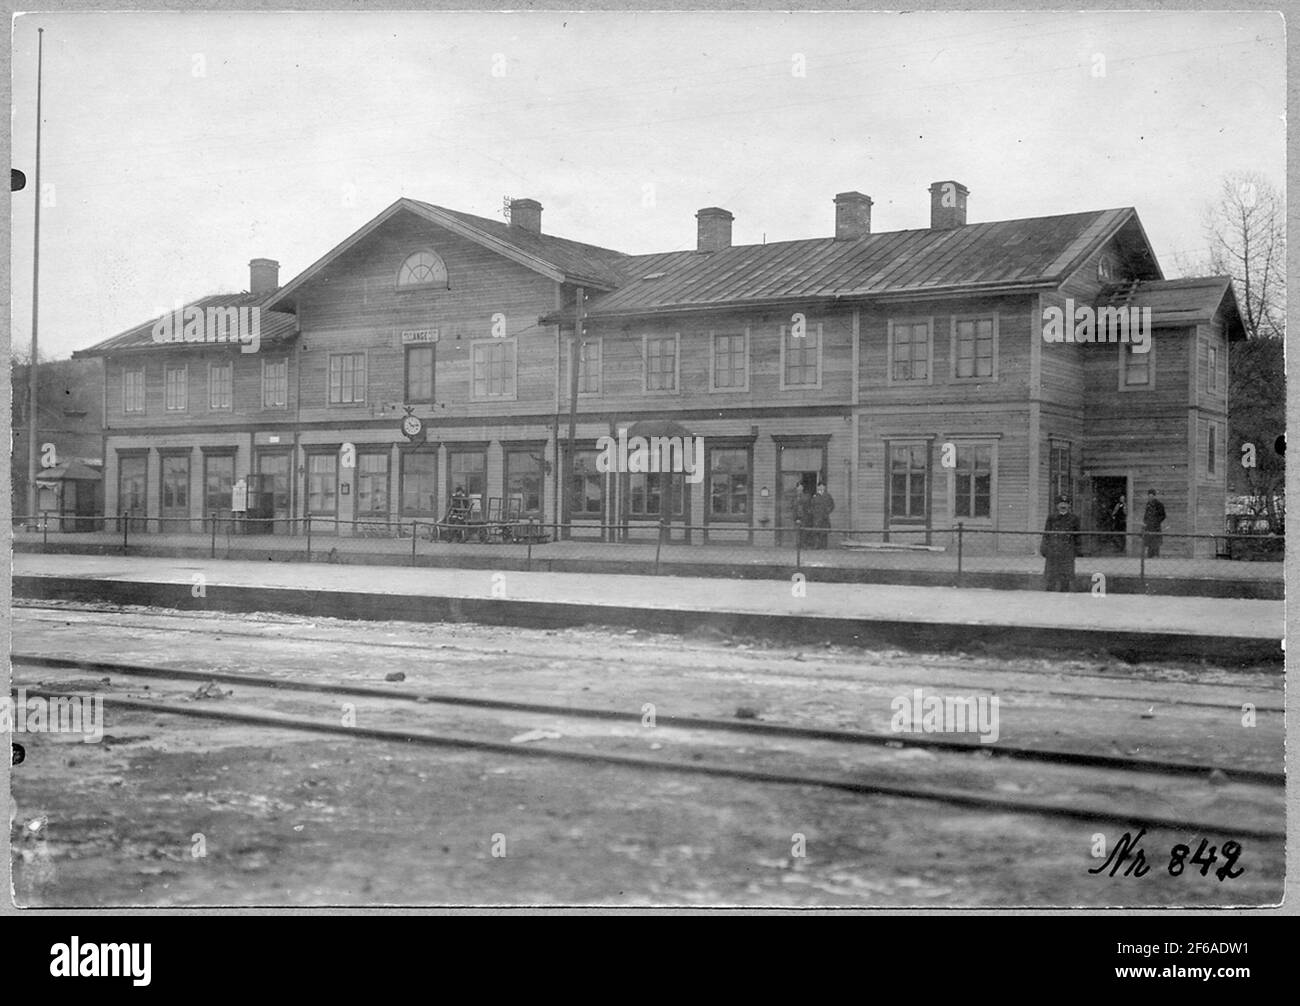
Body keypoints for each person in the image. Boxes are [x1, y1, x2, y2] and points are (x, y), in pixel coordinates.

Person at [1040, 494, 1082, 591]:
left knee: (1065, 577)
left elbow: (1078, 536)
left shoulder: (1074, 518)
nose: (1063, 506)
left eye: (1066, 503)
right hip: (1053, 550)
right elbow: (1046, 533)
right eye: (1061, 503)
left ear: (1069, 505)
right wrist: (1044, 547)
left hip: (1067, 550)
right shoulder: (1051, 517)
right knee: (1051, 577)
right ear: (1057, 505)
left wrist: (1077, 549)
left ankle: (1064, 594)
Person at [807, 481, 835, 549]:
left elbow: (832, 505)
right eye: (820, 486)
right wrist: (813, 512)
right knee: (816, 531)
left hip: (824, 516)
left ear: (825, 487)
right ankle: (816, 546)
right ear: (818, 487)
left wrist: (828, 511)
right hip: (816, 517)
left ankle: (824, 546)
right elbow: (811, 506)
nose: (821, 487)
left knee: (824, 532)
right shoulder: (815, 496)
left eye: (823, 486)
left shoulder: (828, 496)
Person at [1142, 488, 1166, 558]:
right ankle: (1150, 555)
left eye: (1152, 496)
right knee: (1149, 542)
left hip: (1156, 527)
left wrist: (1156, 522)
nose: (1150, 497)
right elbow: (1146, 515)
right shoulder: (1148, 504)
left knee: (1156, 542)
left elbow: (1163, 515)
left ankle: (1156, 556)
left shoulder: (1159, 504)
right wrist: (1144, 522)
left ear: (1154, 496)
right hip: (1148, 526)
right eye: (1149, 496)